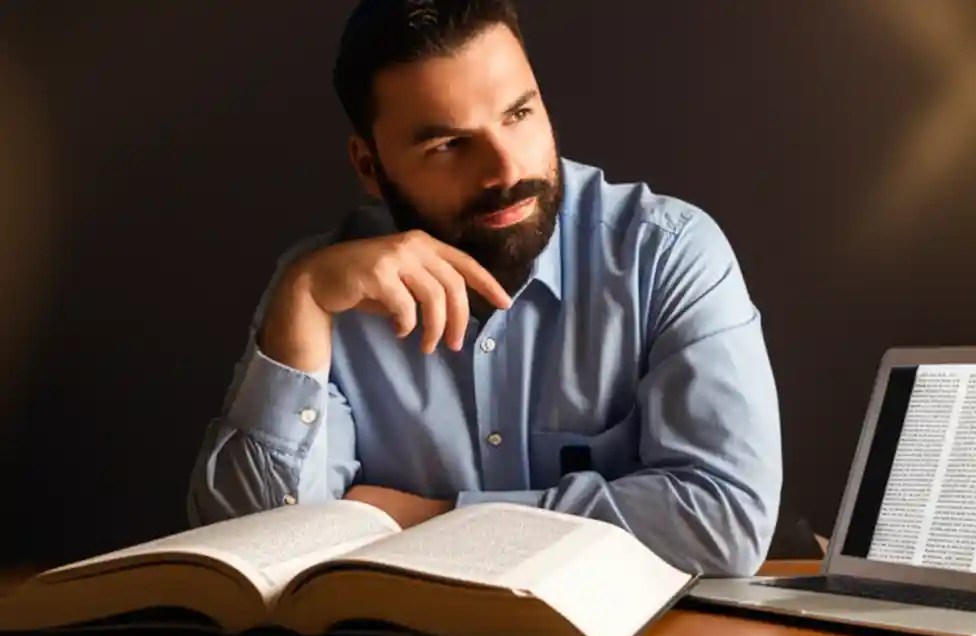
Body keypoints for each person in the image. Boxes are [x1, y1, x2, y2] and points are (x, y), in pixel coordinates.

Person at [186, 0, 782, 577]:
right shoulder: (327, 291)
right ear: (370, 167)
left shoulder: (665, 253)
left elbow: (726, 522)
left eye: (518, 115)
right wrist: (304, 299)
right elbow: (250, 552)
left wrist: (438, 519)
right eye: (448, 145)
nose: (504, 170)